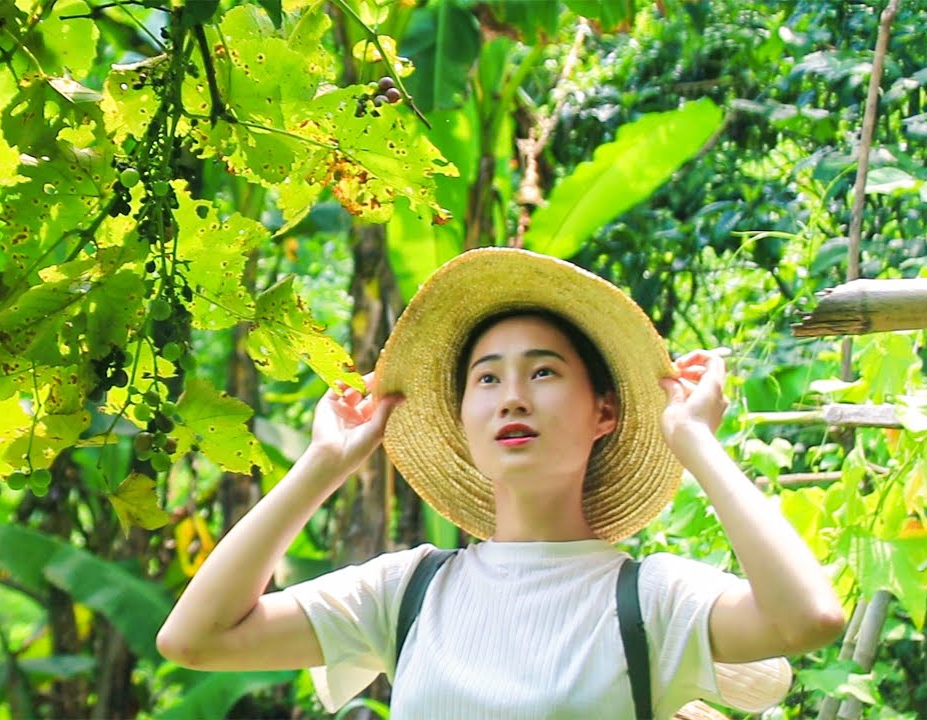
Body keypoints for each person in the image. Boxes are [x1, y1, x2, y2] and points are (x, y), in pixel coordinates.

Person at [157, 248, 846, 718]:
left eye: (543, 372)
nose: (511, 397)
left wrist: (694, 440)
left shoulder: (652, 598)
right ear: (464, 418)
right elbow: (196, 638)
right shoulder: (406, 592)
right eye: (487, 378)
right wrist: (323, 465)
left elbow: (808, 618)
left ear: (603, 410)